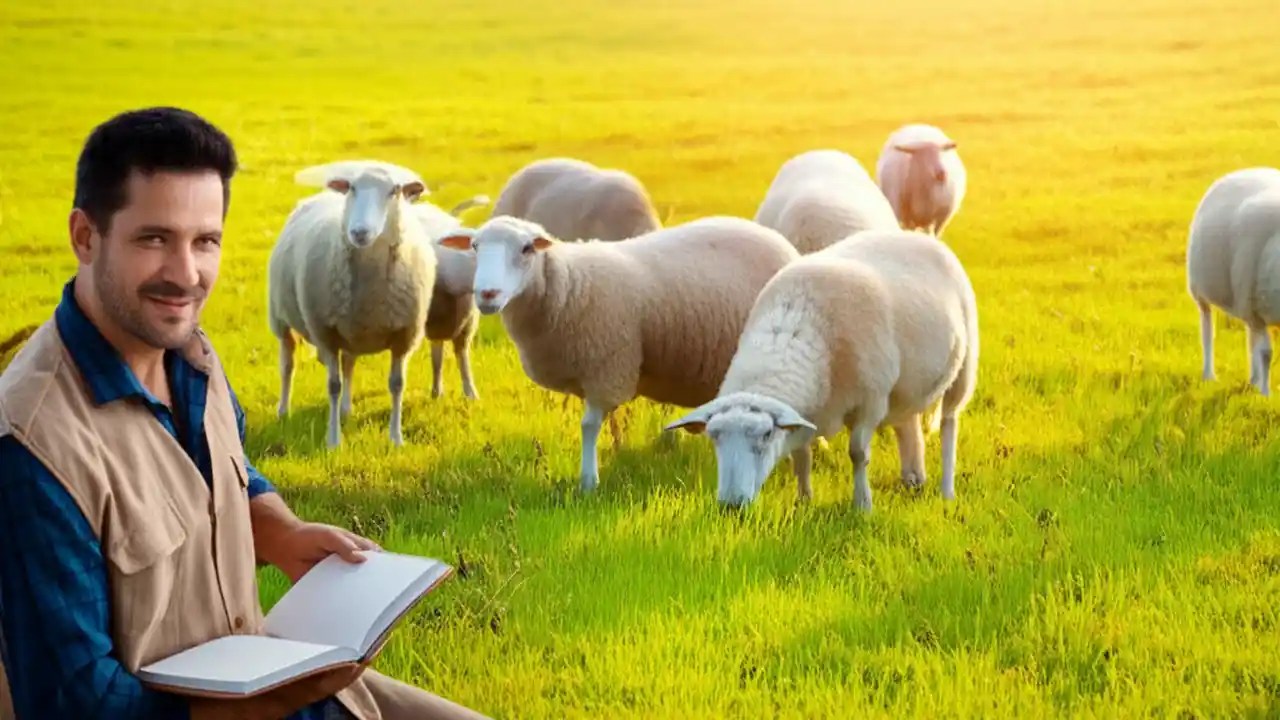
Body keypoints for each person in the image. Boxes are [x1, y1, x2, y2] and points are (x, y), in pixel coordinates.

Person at [0, 107, 488, 720]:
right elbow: (73, 704)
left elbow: (221, 471)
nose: (186, 275)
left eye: (205, 241)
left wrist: (277, 529)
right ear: (84, 236)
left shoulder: (189, 354)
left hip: (271, 676)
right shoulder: (32, 448)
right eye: (154, 239)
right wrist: (261, 709)